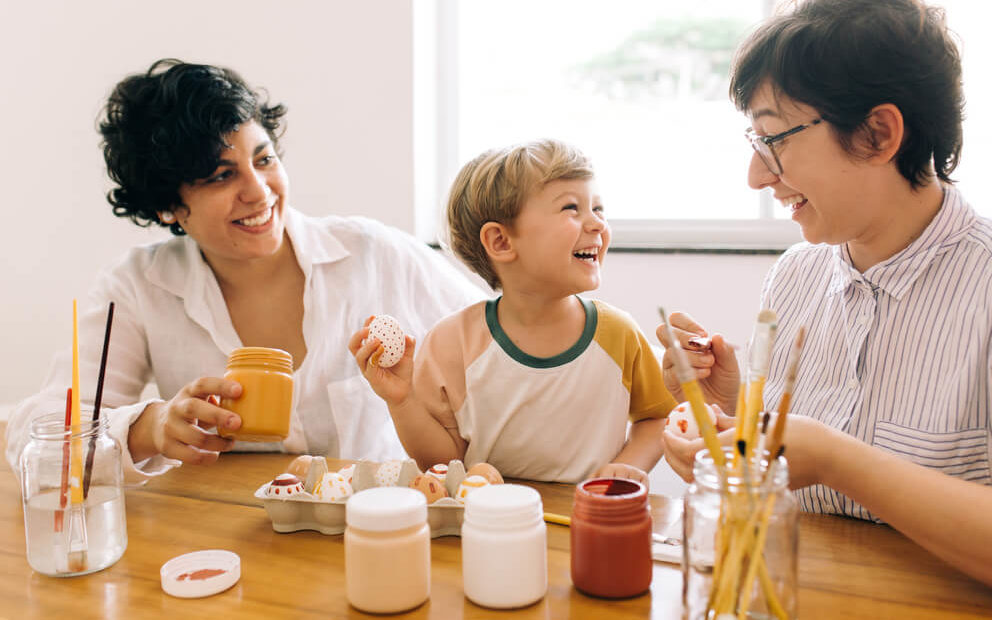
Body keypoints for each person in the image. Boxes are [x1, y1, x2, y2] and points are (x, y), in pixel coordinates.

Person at [4, 59, 484, 483]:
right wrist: (148, 428)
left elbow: (503, 344)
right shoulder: (135, 286)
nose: (259, 192)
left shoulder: (372, 254)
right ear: (169, 206)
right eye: (221, 176)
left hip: (374, 528)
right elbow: (33, 436)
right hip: (226, 540)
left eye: (264, 159)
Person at [658, 0, 992, 585]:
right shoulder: (796, 274)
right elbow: (790, 476)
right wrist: (733, 414)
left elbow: (830, 456)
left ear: (878, 133)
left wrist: (839, 461)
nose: (756, 176)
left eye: (774, 140)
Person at [350, 139, 676, 485]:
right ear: (501, 242)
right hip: (484, 521)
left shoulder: (618, 334)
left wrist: (628, 466)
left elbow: (658, 416)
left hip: (586, 521)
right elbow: (444, 465)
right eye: (571, 208)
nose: (597, 224)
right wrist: (402, 401)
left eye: (598, 209)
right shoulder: (451, 343)